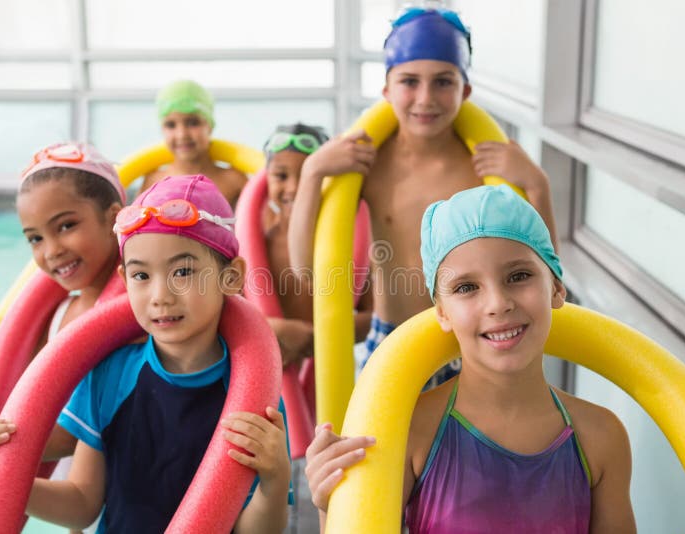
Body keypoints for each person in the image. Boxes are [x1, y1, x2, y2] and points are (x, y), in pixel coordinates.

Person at [0, 175, 292, 533]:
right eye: (141, 276)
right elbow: (81, 504)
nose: (160, 296)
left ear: (231, 277)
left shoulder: (250, 396)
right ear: (124, 277)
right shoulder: (109, 375)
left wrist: (275, 481)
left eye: (182, 271)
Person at [304, 185, 636, 533]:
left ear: (556, 288)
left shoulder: (601, 438)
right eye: (466, 287)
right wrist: (332, 506)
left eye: (519, 276)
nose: (498, 304)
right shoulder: (408, 432)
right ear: (442, 312)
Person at [288, 7, 559, 384]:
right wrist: (312, 172)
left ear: (465, 90)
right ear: (387, 90)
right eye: (409, 81)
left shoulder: (486, 166)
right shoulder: (369, 164)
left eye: (443, 82)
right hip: (392, 341)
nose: (425, 98)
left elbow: (548, 273)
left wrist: (537, 185)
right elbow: (306, 270)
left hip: (473, 344)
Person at [0, 142, 125, 476]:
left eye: (66, 226)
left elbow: (84, 430)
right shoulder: (64, 310)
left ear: (113, 218)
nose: (52, 250)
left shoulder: (135, 315)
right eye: (35, 238)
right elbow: (16, 370)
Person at [259, 123, 372, 367]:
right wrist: (275, 329)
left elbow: (375, 317)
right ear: (266, 177)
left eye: (306, 176)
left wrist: (316, 335)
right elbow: (229, 309)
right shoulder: (255, 241)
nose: (294, 188)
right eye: (281, 176)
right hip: (271, 365)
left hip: (326, 370)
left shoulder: (353, 242)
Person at [141, 79, 248, 207]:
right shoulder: (153, 181)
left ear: (210, 126)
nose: (182, 134)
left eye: (193, 123)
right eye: (171, 125)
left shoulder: (233, 181)